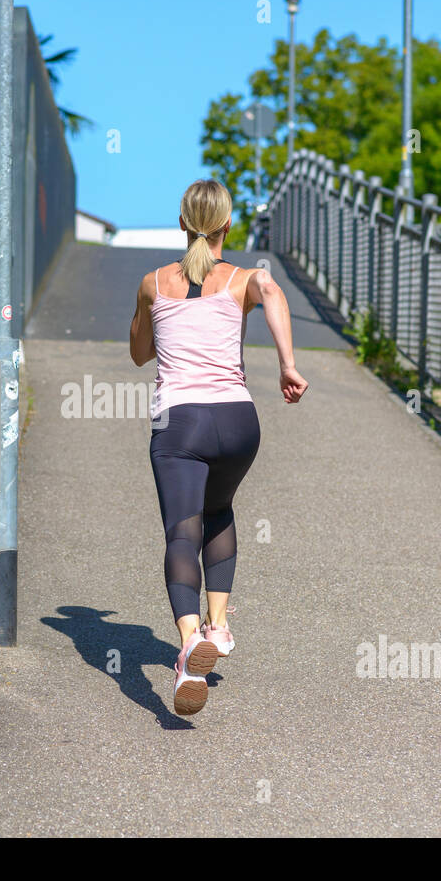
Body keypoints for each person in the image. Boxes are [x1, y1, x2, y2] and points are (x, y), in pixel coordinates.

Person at [128, 179, 308, 716]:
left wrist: (149, 317)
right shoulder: (244, 280)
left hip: (181, 424)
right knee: (219, 509)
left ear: (182, 224)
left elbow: (139, 354)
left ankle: (188, 647)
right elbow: (272, 292)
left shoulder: (152, 282)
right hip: (238, 422)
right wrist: (287, 365)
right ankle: (220, 626)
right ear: (230, 225)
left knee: (182, 528)